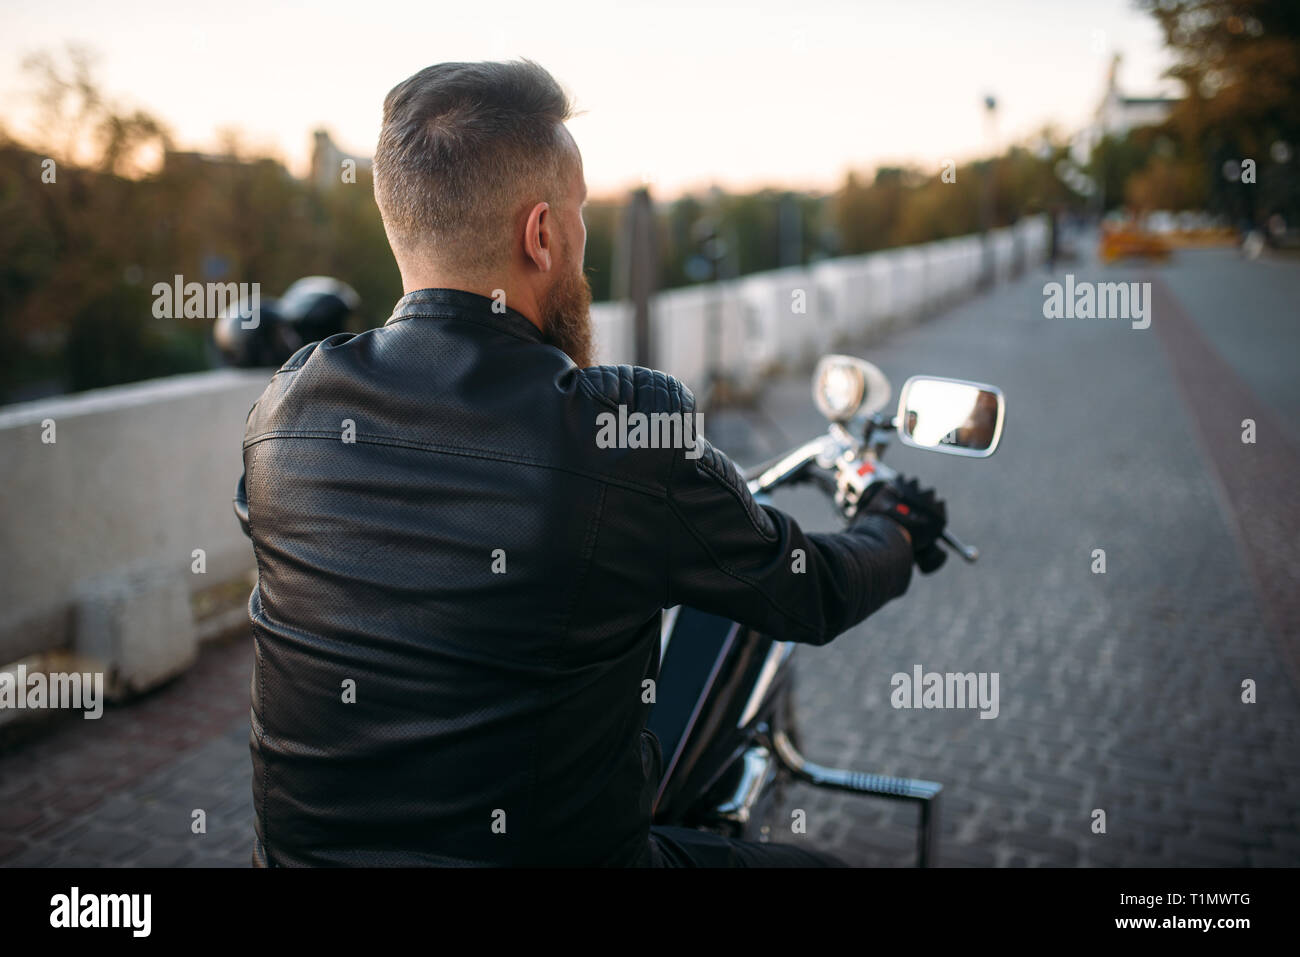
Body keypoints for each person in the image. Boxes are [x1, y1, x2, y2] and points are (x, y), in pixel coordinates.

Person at [233, 60, 947, 867]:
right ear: (541, 234)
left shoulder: (283, 412)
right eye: (575, 221)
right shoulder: (620, 430)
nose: (579, 249)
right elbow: (809, 591)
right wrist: (895, 526)